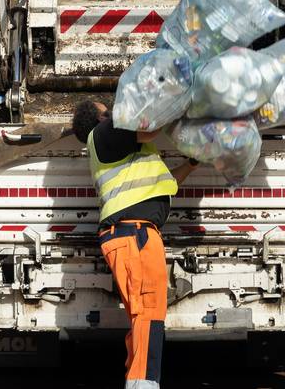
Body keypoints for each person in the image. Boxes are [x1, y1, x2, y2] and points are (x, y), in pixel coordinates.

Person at [72, 100, 199, 389]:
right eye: (108, 109)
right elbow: (150, 129)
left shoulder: (127, 154)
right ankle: (143, 384)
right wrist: (180, 101)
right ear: (100, 118)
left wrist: (192, 164)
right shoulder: (105, 132)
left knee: (144, 315)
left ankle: (138, 379)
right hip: (133, 235)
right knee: (149, 313)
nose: (115, 113)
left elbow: (168, 182)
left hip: (133, 235)